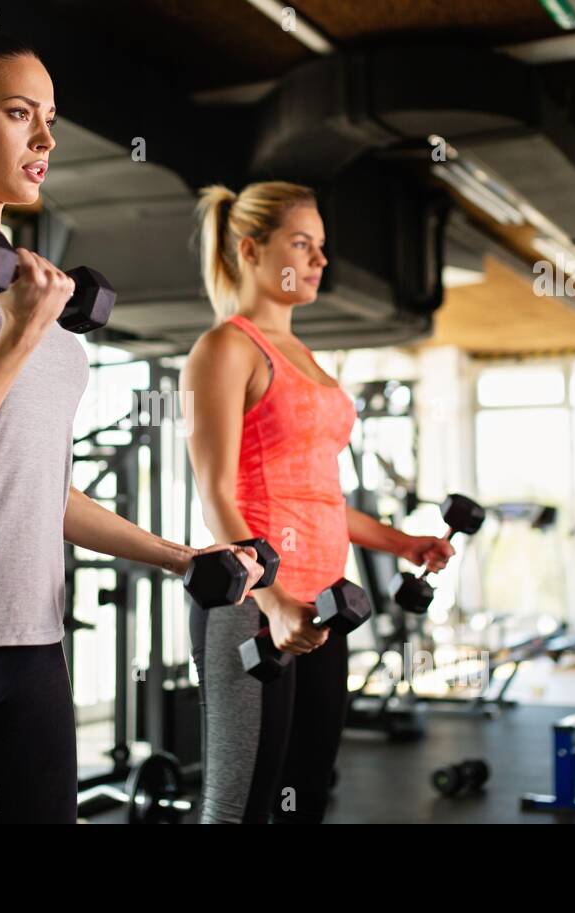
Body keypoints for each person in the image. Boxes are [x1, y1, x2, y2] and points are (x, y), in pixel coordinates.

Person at [0, 29, 261, 824]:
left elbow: (42, 489)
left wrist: (179, 555)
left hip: (33, 642)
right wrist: (22, 332)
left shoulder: (32, 283)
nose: (45, 139)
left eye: (51, 118)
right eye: (19, 113)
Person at [181, 181, 453, 823]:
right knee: (239, 807)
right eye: (301, 244)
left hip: (326, 603)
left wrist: (401, 542)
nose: (319, 260)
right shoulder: (226, 348)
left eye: (321, 246)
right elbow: (215, 493)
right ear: (250, 249)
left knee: (305, 798)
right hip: (251, 604)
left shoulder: (305, 357)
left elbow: (323, 497)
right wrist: (271, 599)